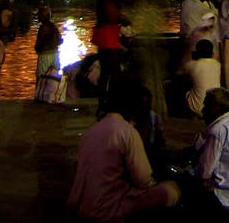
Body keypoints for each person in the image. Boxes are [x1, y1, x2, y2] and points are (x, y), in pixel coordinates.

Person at [67, 75, 180, 222]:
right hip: (108, 212)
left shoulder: (91, 131)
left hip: (82, 209)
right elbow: (143, 180)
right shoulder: (127, 132)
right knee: (170, 190)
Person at [183, 38, 222, 118]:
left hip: (198, 109)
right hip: (215, 110)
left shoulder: (193, 65)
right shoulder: (217, 65)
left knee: (183, 83)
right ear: (212, 52)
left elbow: (181, 71)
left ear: (197, 52)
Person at [34, 5, 62, 80]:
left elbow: (38, 46)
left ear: (42, 16)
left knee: (41, 80)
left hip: (44, 56)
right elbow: (60, 40)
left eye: (39, 15)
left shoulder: (42, 28)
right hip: (55, 55)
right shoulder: (54, 26)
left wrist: (38, 49)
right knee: (55, 80)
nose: (38, 17)